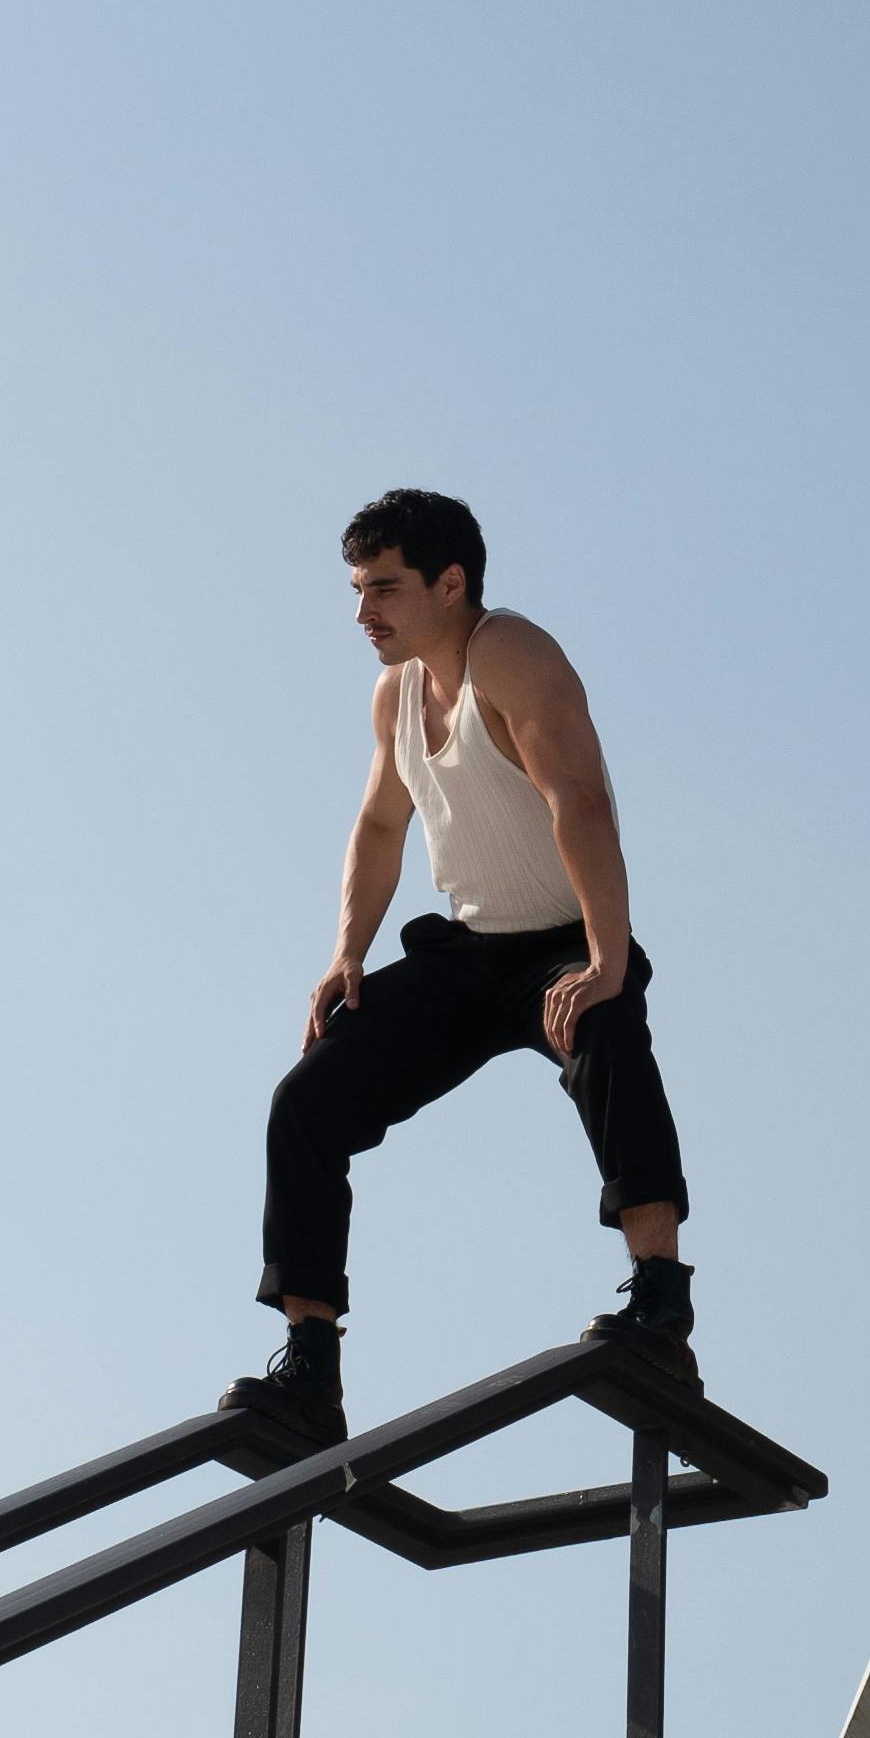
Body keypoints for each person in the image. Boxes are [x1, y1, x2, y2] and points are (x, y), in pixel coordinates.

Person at [228, 488, 693, 1453]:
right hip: (468, 950)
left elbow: (579, 802)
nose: (365, 613)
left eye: (384, 589)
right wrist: (348, 951)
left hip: (561, 942)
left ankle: (660, 1305)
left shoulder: (512, 656)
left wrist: (606, 960)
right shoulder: (396, 694)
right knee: (307, 1100)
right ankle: (311, 1367)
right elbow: (379, 825)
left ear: (451, 584)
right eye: (358, 592)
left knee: (607, 1032)